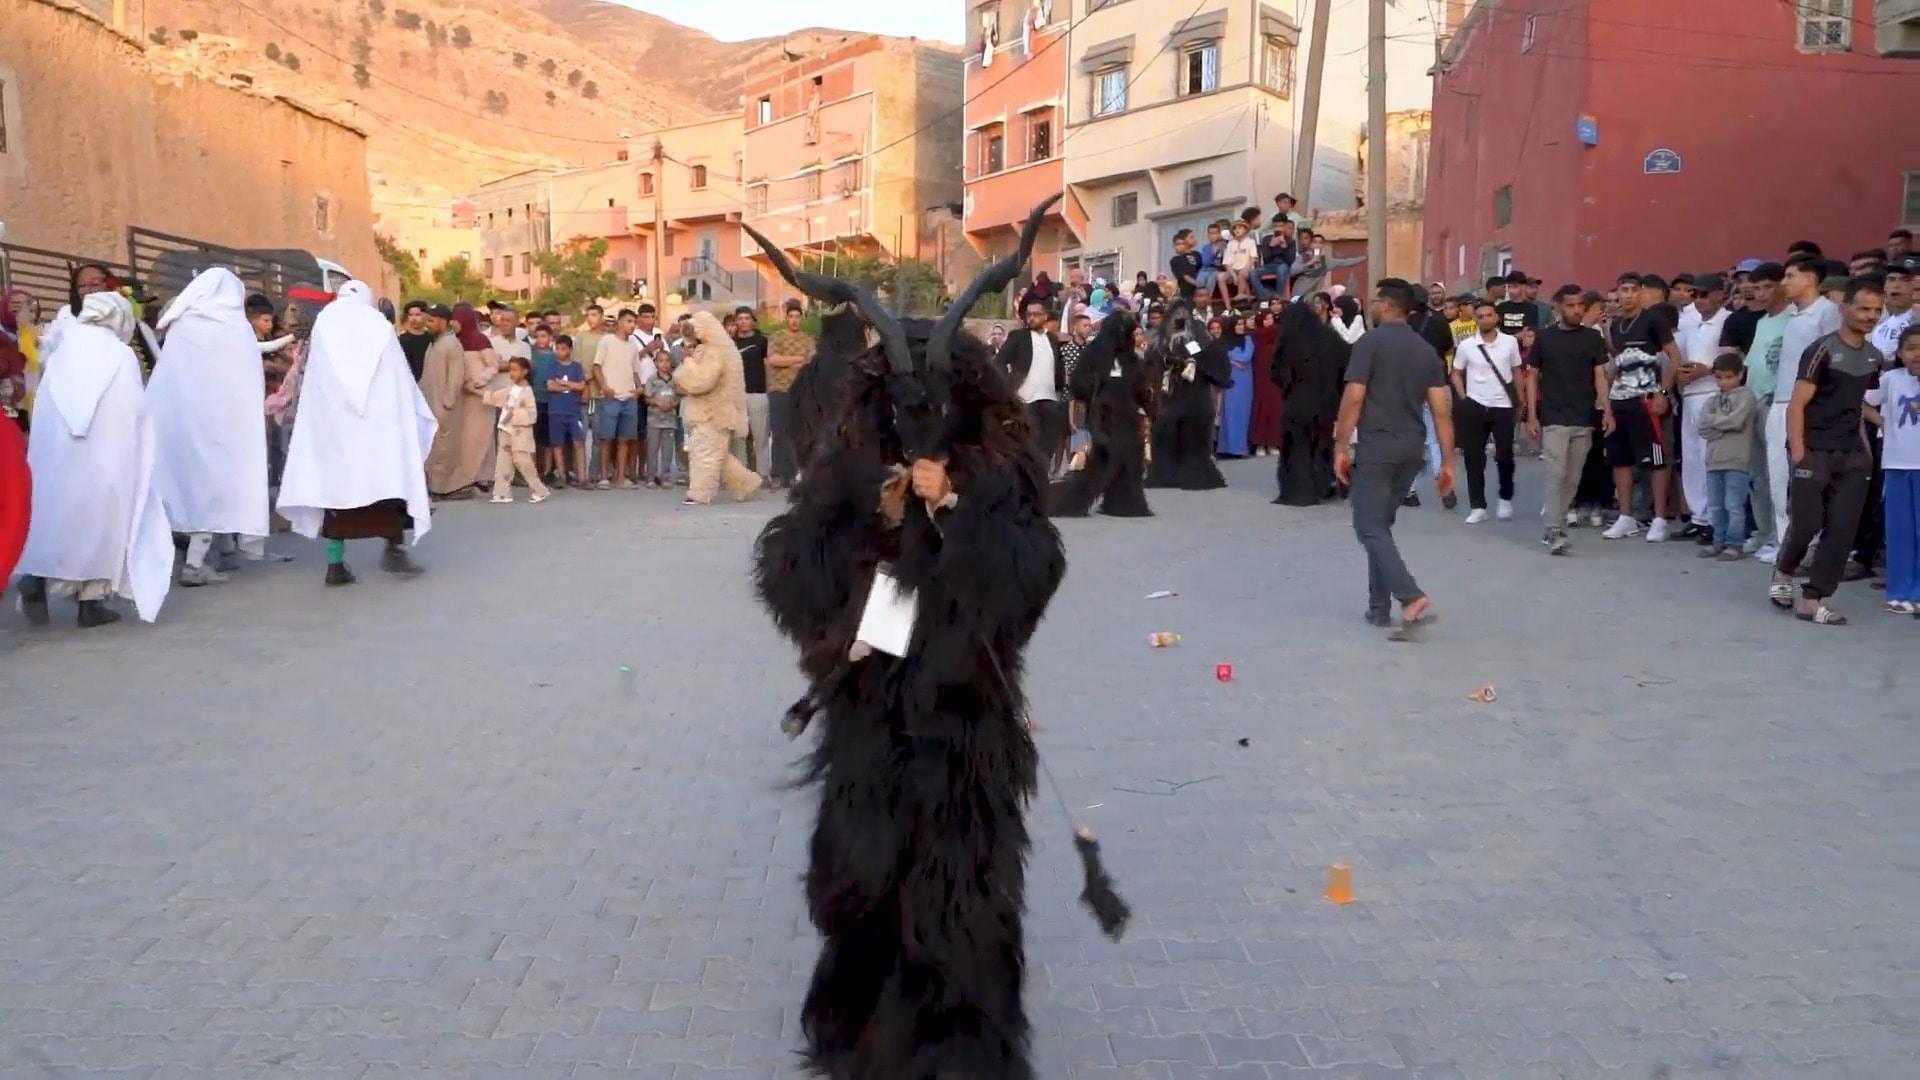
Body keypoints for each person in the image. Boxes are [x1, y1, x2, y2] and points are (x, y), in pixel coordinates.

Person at [13, 291, 173, 627]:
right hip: (103, 458)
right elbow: (133, 410)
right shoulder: (119, 355)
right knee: (101, 524)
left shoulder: (61, 352)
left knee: (53, 517)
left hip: (56, 460)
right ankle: (91, 601)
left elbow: (43, 408)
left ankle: (37, 577)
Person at [275, 282, 433, 586]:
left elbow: (316, 383)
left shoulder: (325, 325)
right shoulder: (379, 326)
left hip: (335, 431)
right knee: (389, 487)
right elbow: (398, 380)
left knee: (336, 495)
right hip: (379, 431)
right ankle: (394, 550)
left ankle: (336, 565)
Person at [1334, 279, 1454, 635]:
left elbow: (1354, 398)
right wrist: (1447, 460)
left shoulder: (1369, 343)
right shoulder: (1426, 350)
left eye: (1375, 301)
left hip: (1377, 446)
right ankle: (1377, 607)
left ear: (1386, 305)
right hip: (1411, 448)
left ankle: (1409, 594)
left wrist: (1341, 445)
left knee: (1368, 526)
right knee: (1379, 527)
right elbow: (1441, 410)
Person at [1768, 278, 1885, 624]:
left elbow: (1858, 403)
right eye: (1864, 308)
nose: (1871, 316)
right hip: (1814, 450)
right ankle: (1784, 573)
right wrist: (1799, 451)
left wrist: (1883, 424)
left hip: (1852, 456)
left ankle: (1814, 598)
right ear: (1844, 308)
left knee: (1842, 528)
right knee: (1806, 524)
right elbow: (1797, 404)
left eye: (1876, 310)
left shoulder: (1874, 357)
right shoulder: (1820, 349)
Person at [147, 268, 271, 585]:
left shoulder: (184, 326)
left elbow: (168, 377)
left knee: (179, 488)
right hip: (222, 429)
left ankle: (162, 559)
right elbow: (246, 381)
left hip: (179, 424)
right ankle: (194, 563)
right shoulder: (235, 328)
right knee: (211, 492)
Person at [1765, 256, 1844, 553]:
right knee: (1778, 477)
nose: (1783, 282)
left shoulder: (1827, 313)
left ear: (1809, 279)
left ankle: (1808, 546)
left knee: (1807, 479)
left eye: (1789, 276)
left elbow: (1832, 363)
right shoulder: (1793, 316)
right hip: (1780, 402)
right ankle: (1785, 542)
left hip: (1808, 407)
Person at [1527, 286, 1610, 554]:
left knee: (1573, 478)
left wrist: (1606, 409)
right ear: (1558, 307)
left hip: (1584, 416)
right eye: (1570, 305)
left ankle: (1557, 523)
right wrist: (1531, 415)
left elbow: (1600, 376)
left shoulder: (1592, 339)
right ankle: (1553, 529)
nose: (1576, 310)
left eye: (1580, 306)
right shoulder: (1545, 338)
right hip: (1553, 415)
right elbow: (1531, 377)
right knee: (1555, 474)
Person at [1599, 271, 1683, 541]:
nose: (1628, 296)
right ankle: (1626, 517)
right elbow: (1617, 363)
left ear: (1642, 293)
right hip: (1621, 399)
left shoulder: (1653, 320)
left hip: (1647, 400)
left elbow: (1675, 357)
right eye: (1623, 290)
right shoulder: (1615, 325)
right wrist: (1605, 402)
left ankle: (1659, 519)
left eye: (1633, 290)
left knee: (1657, 460)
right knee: (1620, 461)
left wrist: (1662, 392)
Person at [1050, 310, 1153, 517]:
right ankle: (1068, 502)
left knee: (1130, 460)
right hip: (1104, 416)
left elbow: (1138, 386)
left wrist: (1148, 403)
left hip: (1128, 416)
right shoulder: (1095, 352)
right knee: (1101, 461)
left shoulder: (1130, 357)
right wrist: (1095, 388)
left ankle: (1124, 502)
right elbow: (1078, 383)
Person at [675, 310, 762, 506]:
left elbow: (701, 382)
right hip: (718, 411)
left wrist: (687, 363)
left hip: (713, 412)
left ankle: (700, 493)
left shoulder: (715, 353)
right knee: (718, 454)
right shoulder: (722, 349)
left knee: (704, 453)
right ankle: (746, 483)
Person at [1272, 299, 1349, 505]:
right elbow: (1346, 364)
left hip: (1296, 402)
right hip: (1326, 403)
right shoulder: (1330, 338)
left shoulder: (1288, 342)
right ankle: (1321, 485)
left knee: (1297, 446)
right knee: (1321, 444)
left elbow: (1275, 373)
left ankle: (1297, 489)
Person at [1146, 305, 1230, 490]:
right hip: (1171, 399)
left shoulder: (1200, 338)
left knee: (1194, 437)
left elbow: (1215, 362)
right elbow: (1152, 364)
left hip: (1196, 397)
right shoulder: (1161, 341)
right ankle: (1167, 474)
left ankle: (1194, 472)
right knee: (1167, 435)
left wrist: (1195, 360)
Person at [1453, 300, 1523, 523]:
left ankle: (1505, 497)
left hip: (1503, 405)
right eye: (1480, 316)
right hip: (1475, 403)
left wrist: (1520, 400)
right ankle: (1478, 505)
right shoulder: (1467, 345)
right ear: (1475, 319)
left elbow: (1516, 370)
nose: (1485, 319)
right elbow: (1456, 372)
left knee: (1504, 454)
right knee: (1474, 457)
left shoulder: (1510, 342)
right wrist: (1463, 397)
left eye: (1489, 315)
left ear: (1496, 318)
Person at [1676, 274, 1732, 538]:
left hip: (1713, 392)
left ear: (1721, 294)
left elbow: (1733, 360)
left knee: (1709, 456)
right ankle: (1698, 515)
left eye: (1705, 294)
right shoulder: (1691, 324)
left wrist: (1707, 371)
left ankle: (1714, 518)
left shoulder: (1727, 321)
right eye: (1695, 295)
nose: (1699, 300)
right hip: (1689, 395)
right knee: (1691, 458)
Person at [1869, 325, 1920, 613]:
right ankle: (1899, 590)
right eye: (1911, 347)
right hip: (1898, 463)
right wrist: (1883, 423)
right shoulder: (1891, 379)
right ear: (1900, 353)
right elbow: (1864, 402)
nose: (1917, 353)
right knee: (1900, 530)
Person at [1694, 353, 1758, 561]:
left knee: (1733, 505)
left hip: (1738, 459)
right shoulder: (1712, 400)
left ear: (1740, 375)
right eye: (1719, 378)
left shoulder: (1747, 396)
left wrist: (1717, 423)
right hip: (1713, 460)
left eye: (1729, 377)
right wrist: (1723, 424)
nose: (1724, 382)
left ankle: (1734, 544)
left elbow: (1737, 421)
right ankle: (1718, 542)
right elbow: (1702, 425)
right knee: (1716, 505)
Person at [995, 298, 1067, 465]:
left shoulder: (1052, 339)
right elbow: (999, 361)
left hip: (1049, 398)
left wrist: (1060, 390)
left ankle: (1042, 476)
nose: (1032, 318)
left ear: (1045, 316)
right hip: (1026, 399)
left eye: (1036, 314)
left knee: (1048, 444)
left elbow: (1059, 368)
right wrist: (1008, 387)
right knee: (1029, 444)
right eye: (1029, 315)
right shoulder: (1019, 337)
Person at [447, 305, 503, 495]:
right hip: (463, 396)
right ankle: (467, 476)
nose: (453, 323)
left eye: (456, 319)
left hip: (480, 395)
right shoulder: (454, 341)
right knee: (466, 437)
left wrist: (478, 382)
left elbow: (493, 366)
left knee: (482, 436)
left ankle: (484, 476)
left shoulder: (480, 339)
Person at [483, 357, 551, 505]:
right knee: (503, 461)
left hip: (520, 432)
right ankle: (502, 492)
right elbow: (496, 397)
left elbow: (531, 414)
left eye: (515, 370)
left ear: (525, 372)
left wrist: (514, 415)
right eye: (510, 370)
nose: (511, 373)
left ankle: (539, 490)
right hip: (505, 429)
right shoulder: (510, 388)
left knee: (522, 461)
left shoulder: (527, 391)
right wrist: (481, 393)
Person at [766, 298, 814, 487]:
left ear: (802, 318)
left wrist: (790, 361)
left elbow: (811, 363)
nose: (794, 320)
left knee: (797, 434)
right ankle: (778, 475)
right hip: (779, 390)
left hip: (801, 393)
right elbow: (774, 360)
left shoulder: (808, 340)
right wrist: (798, 360)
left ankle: (793, 474)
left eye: (797, 316)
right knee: (778, 433)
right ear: (786, 318)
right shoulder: (776, 337)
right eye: (791, 316)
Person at [593, 309, 642, 489]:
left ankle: (621, 476)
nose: (632, 325)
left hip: (629, 398)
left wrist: (639, 388)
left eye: (634, 322)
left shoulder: (633, 345)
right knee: (606, 438)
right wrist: (604, 387)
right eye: (629, 321)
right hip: (611, 397)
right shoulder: (606, 341)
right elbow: (596, 367)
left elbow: (635, 370)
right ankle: (604, 476)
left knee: (625, 439)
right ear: (620, 322)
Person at [730, 307, 772, 476]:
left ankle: (763, 474)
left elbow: (769, 366)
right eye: (740, 318)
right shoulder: (730, 343)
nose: (743, 321)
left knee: (760, 438)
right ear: (736, 321)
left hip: (758, 393)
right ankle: (742, 474)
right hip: (737, 395)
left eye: (747, 318)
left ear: (752, 320)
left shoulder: (762, 341)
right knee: (739, 438)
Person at [546, 335, 589, 488]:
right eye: (557, 349)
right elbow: (550, 386)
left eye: (563, 349)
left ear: (570, 349)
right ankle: (562, 476)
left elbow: (581, 386)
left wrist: (564, 383)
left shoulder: (576, 367)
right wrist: (572, 386)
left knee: (579, 442)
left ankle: (583, 478)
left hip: (573, 411)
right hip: (556, 411)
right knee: (557, 444)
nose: (559, 352)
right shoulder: (552, 366)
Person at [1215, 315, 1255, 457]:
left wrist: (1231, 357)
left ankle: (1240, 448)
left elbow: (1247, 356)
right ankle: (1226, 448)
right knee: (1229, 413)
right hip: (1229, 379)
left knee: (1243, 413)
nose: (1240, 327)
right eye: (1237, 324)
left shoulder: (1248, 339)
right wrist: (1234, 360)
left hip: (1244, 382)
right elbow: (1220, 356)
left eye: (1242, 324)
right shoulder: (1223, 341)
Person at [1247, 309, 1284, 455]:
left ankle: (1273, 443)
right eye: (1266, 319)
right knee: (1260, 408)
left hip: (1275, 377)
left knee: (1275, 408)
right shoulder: (1256, 335)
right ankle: (1260, 443)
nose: (1269, 322)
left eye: (1271, 319)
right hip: (1260, 377)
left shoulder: (1277, 335)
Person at [528, 323, 559, 481]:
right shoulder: (531, 356)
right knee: (533, 438)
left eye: (544, 336)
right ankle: (533, 471)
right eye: (537, 337)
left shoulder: (555, 357)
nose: (540, 340)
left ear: (551, 338)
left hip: (551, 401)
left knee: (548, 440)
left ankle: (547, 471)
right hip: (534, 400)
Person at [642, 358, 680, 488]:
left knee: (667, 450)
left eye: (667, 361)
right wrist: (658, 402)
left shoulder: (675, 379)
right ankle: (651, 476)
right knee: (652, 449)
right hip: (654, 420)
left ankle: (665, 476)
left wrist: (672, 405)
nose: (665, 364)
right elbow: (647, 398)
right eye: (661, 361)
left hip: (669, 420)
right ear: (656, 363)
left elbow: (678, 397)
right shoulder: (652, 379)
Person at [396, 300, 434, 381]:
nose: (414, 318)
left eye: (417, 315)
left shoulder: (431, 338)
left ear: (426, 316)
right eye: (410, 315)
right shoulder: (402, 340)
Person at [1169, 229, 1201, 304]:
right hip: (1188, 294)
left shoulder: (1197, 254)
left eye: (1181, 244)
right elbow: (1185, 276)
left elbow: (1202, 268)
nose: (1179, 246)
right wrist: (1198, 284)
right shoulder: (1176, 260)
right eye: (1177, 244)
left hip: (1201, 291)